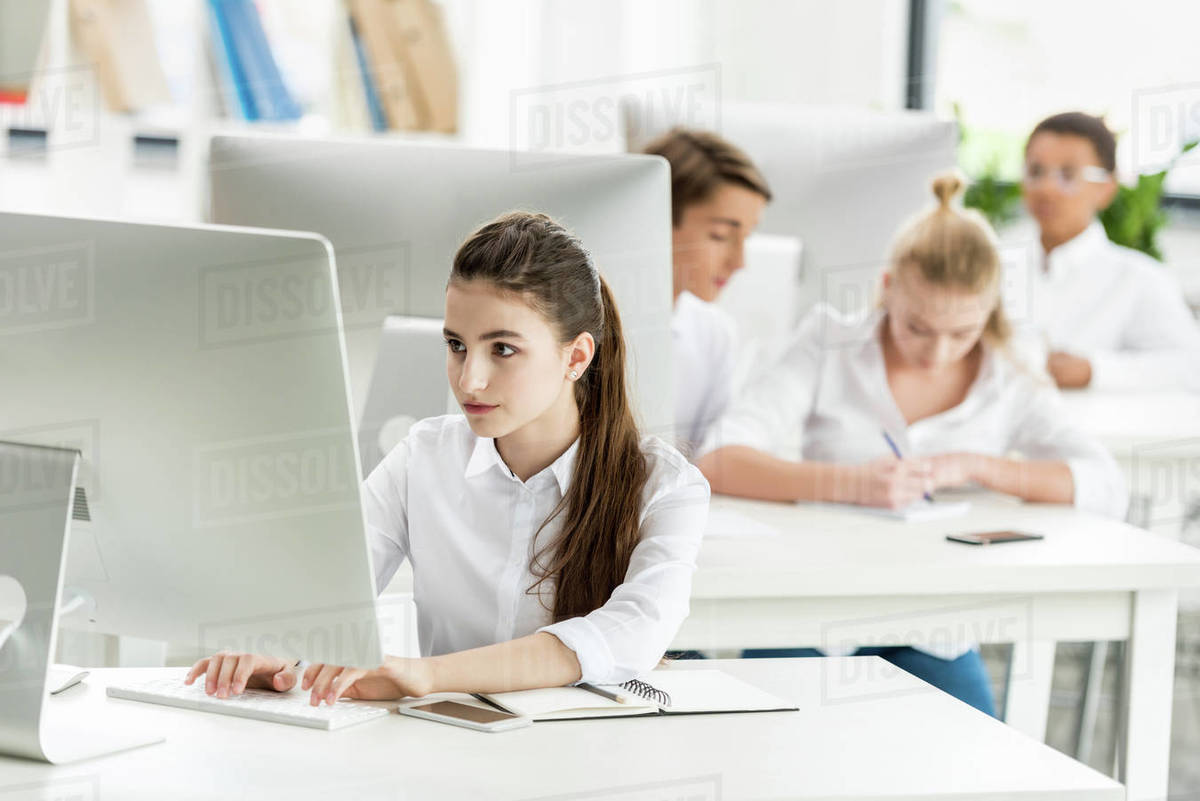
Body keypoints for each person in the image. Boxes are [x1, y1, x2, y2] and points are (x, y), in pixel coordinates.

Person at [185, 212, 710, 705]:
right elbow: (331, 583)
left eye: (502, 349)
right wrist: (275, 644)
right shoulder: (424, 456)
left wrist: (427, 675)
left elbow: (634, 632)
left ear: (576, 357)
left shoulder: (665, 485)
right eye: (456, 345)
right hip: (446, 748)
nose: (469, 379)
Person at [695, 173, 1127, 715]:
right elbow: (716, 458)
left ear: (989, 312)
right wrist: (850, 484)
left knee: (977, 767)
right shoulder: (830, 339)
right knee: (769, 757)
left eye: (962, 332)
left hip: (936, 623)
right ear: (887, 287)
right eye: (918, 328)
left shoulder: (1009, 367)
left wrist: (974, 465)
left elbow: (1103, 481)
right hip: (813, 610)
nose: (938, 354)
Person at [1022, 111, 1200, 391]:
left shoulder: (1140, 278)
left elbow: (1190, 368)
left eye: (1067, 175)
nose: (1046, 188)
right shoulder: (988, 268)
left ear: (1106, 188)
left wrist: (1092, 370)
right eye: (1035, 171)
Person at [641, 128, 772, 454]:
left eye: (747, 237)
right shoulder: (575, 327)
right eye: (719, 236)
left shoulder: (714, 334)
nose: (739, 262)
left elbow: (705, 462)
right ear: (657, 218)